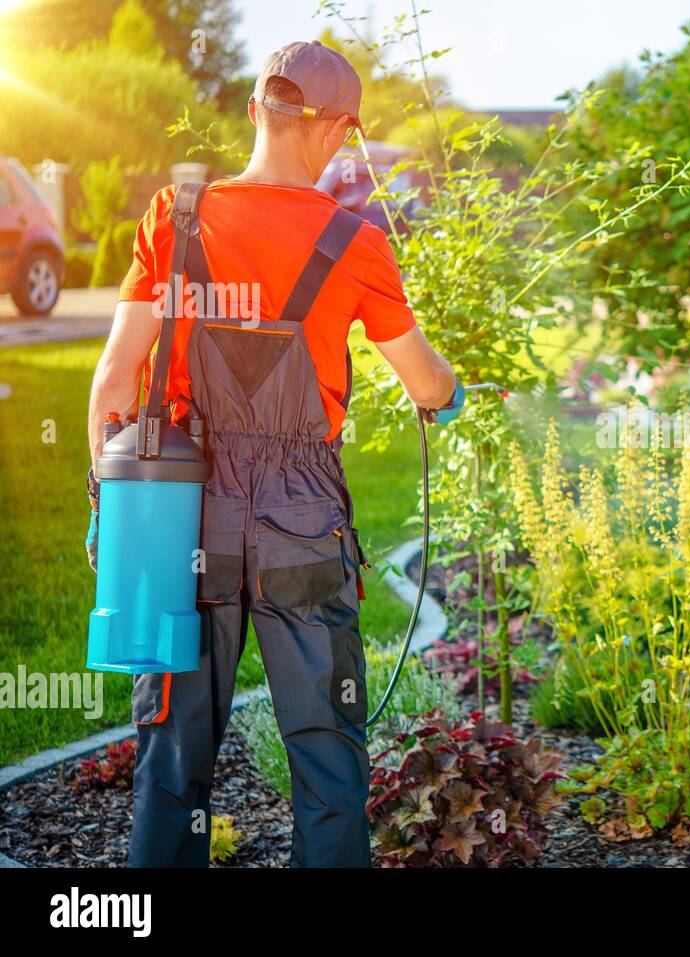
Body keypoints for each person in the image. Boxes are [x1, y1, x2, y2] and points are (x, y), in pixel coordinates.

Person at [84, 40, 461, 867]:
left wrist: (112, 510)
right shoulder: (356, 242)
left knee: (171, 758)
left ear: (256, 111)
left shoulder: (174, 217)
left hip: (187, 513)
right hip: (303, 519)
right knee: (328, 756)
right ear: (338, 132)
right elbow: (425, 383)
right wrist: (450, 390)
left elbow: (115, 381)